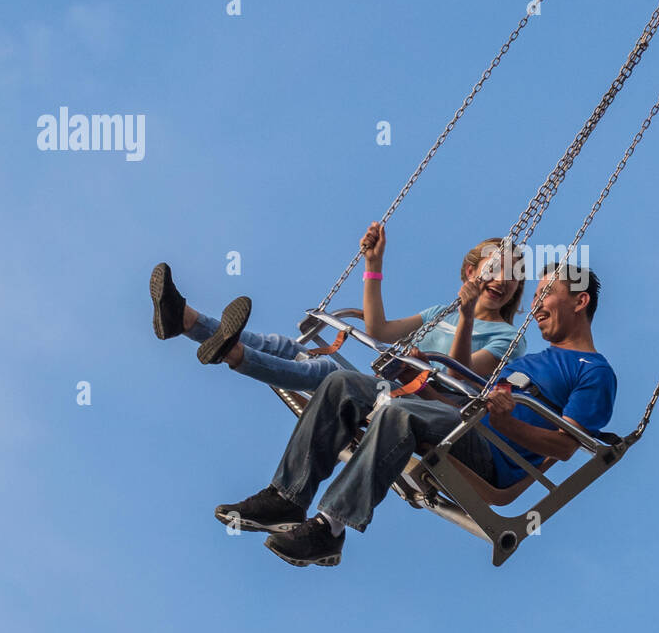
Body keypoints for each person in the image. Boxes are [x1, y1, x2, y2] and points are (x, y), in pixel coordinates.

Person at [212, 261, 616, 568]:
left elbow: (565, 446)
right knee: (342, 385)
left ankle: (330, 527)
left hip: (493, 457)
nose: (534, 305)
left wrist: (508, 421)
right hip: (463, 424)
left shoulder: (593, 371)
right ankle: (287, 496)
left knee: (398, 414)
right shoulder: (534, 361)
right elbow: (463, 403)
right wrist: (416, 376)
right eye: (536, 294)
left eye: (546, 293)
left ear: (580, 301)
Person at [148, 223, 526, 393]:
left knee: (328, 372)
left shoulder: (508, 337)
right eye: (496, 268)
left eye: (514, 276)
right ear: (470, 271)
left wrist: (464, 317)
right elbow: (378, 331)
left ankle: (232, 352)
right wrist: (373, 266)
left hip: (425, 404)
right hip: (394, 386)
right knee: (285, 346)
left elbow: (462, 379)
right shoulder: (436, 314)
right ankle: (184, 319)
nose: (503, 280)